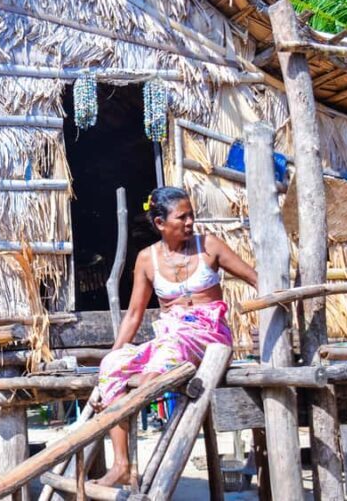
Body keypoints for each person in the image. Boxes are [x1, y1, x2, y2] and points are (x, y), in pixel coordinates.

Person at [91, 186, 257, 487]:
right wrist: (113, 354)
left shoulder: (209, 245)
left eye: (192, 215)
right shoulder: (146, 259)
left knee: (169, 347)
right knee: (113, 365)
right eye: (183, 217)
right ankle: (122, 464)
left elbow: (255, 278)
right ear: (159, 224)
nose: (191, 221)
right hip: (171, 339)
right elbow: (133, 315)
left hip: (208, 336)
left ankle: (136, 398)